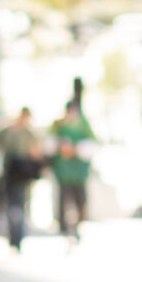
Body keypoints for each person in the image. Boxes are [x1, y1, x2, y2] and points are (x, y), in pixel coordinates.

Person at [0, 107, 41, 251]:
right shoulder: (8, 131)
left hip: (23, 174)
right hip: (10, 172)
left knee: (20, 205)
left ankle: (18, 237)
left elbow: (36, 152)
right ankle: (13, 237)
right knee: (11, 205)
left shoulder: (29, 134)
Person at [49, 98, 95, 242]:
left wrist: (75, 149)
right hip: (63, 172)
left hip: (79, 173)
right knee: (64, 202)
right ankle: (64, 228)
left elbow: (92, 144)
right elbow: (49, 144)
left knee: (80, 202)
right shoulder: (58, 126)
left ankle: (78, 226)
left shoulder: (84, 126)